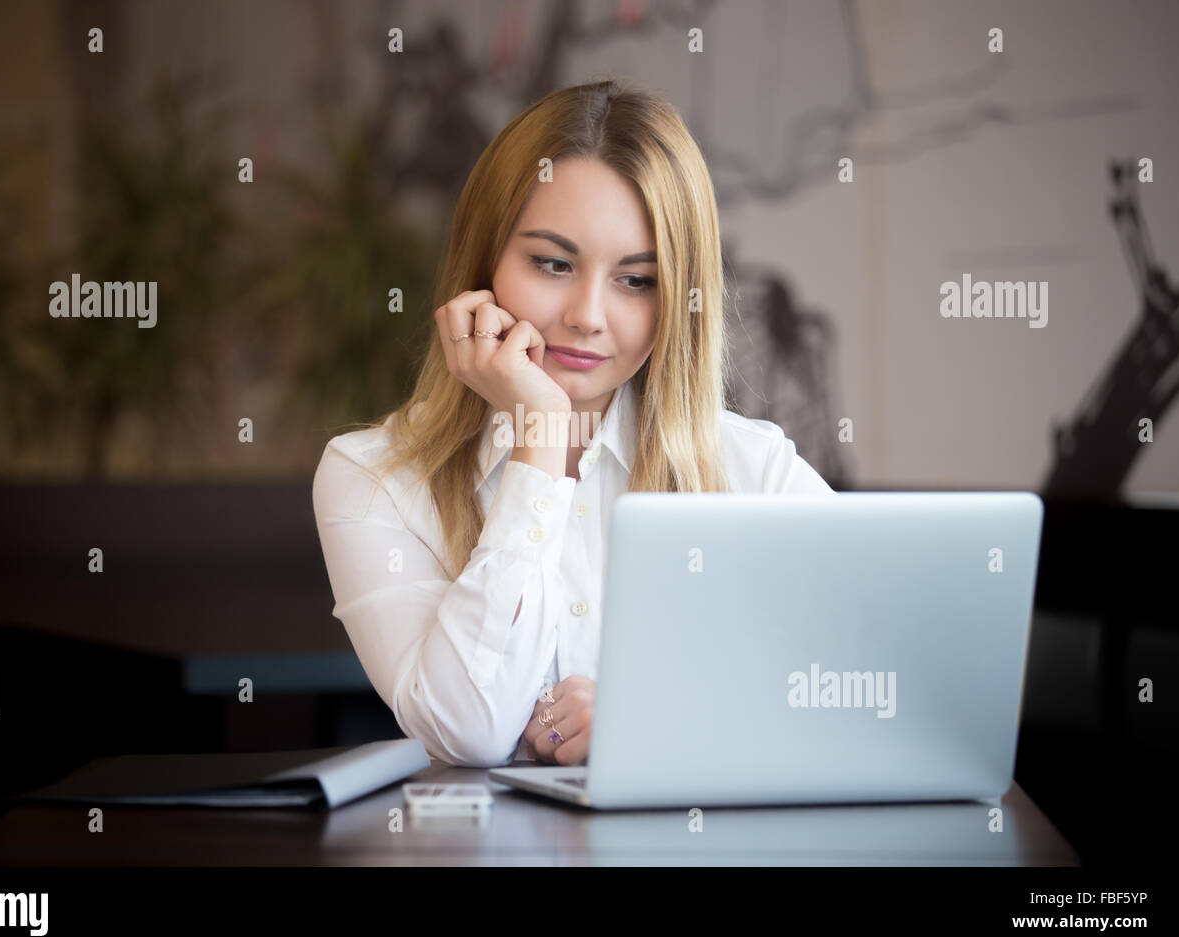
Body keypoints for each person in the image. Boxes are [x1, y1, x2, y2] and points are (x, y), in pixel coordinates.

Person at [312, 78, 835, 769]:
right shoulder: (372, 478)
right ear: (483, 263)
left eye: (636, 279)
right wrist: (541, 435)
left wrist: (652, 714)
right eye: (553, 264)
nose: (588, 315)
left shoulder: (753, 469)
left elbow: (869, 691)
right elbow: (469, 731)